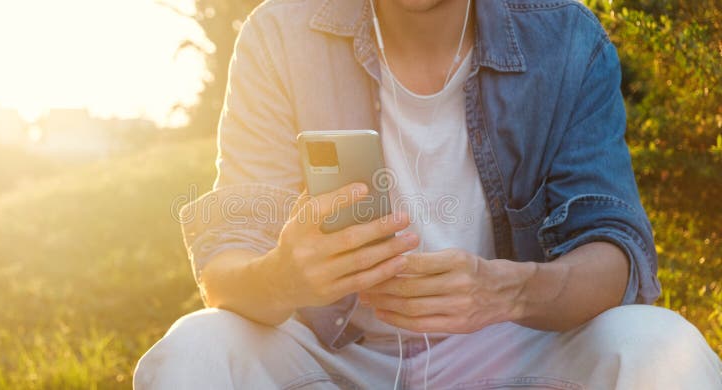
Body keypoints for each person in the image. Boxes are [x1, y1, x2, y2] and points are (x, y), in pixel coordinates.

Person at [134, 0, 722, 388]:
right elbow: (225, 268)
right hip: (334, 357)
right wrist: (285, 276)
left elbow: (617, 255)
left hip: (512, 351)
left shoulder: (567, 39)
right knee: (195, 350)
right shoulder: (281, 33)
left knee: (665, 346)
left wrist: (506, 292)